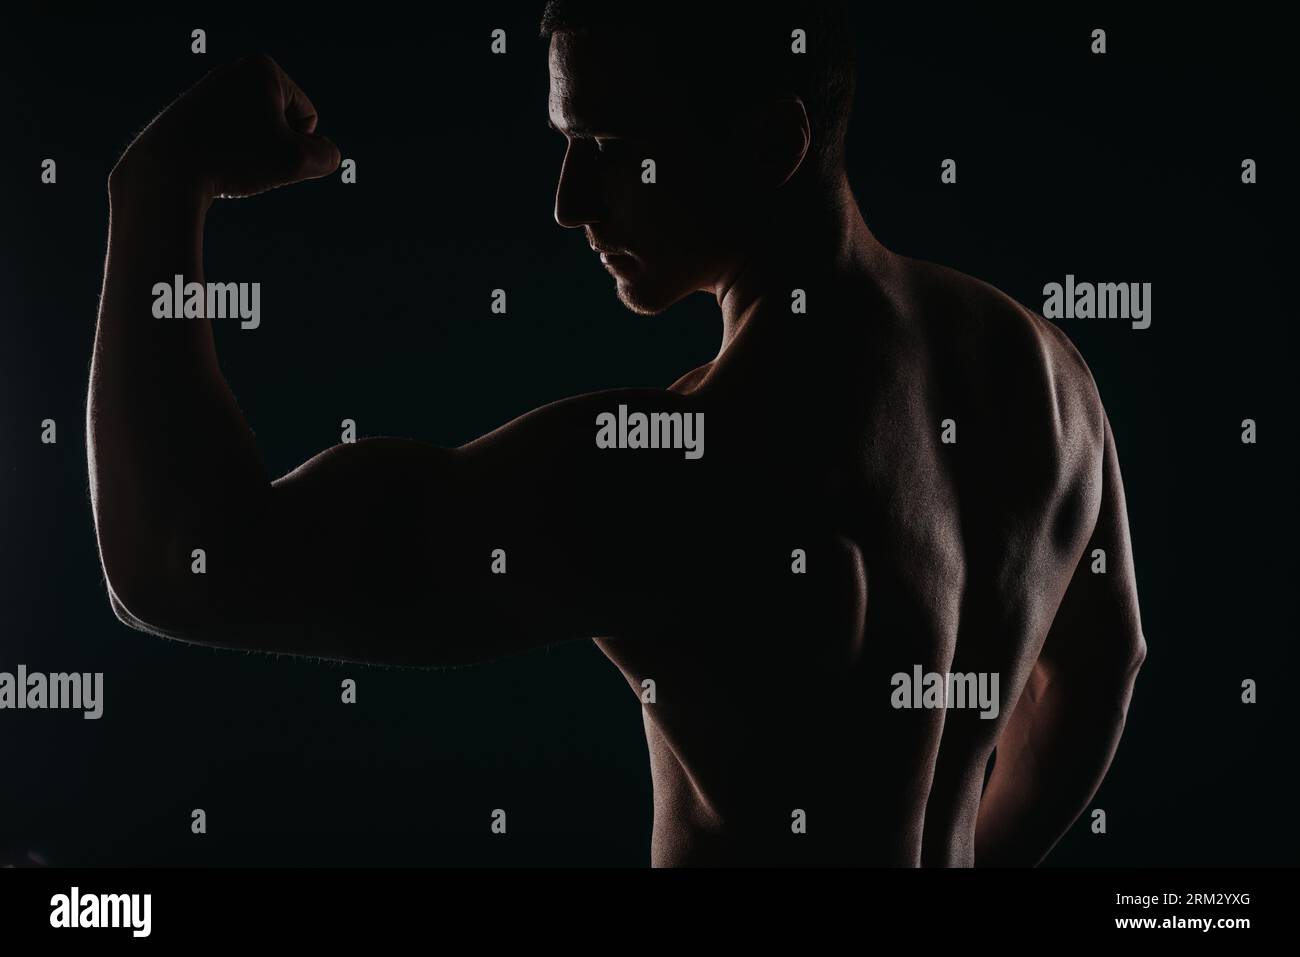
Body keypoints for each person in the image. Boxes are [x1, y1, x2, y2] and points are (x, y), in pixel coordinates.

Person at [87, 2, 1146, 866]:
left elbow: (181, 567)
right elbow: (1101, 666)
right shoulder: (1047, 376)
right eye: (565, 144)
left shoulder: (681, 473)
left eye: (610, 148)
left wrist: (157, 189)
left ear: (772, 142)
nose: (567, 202)